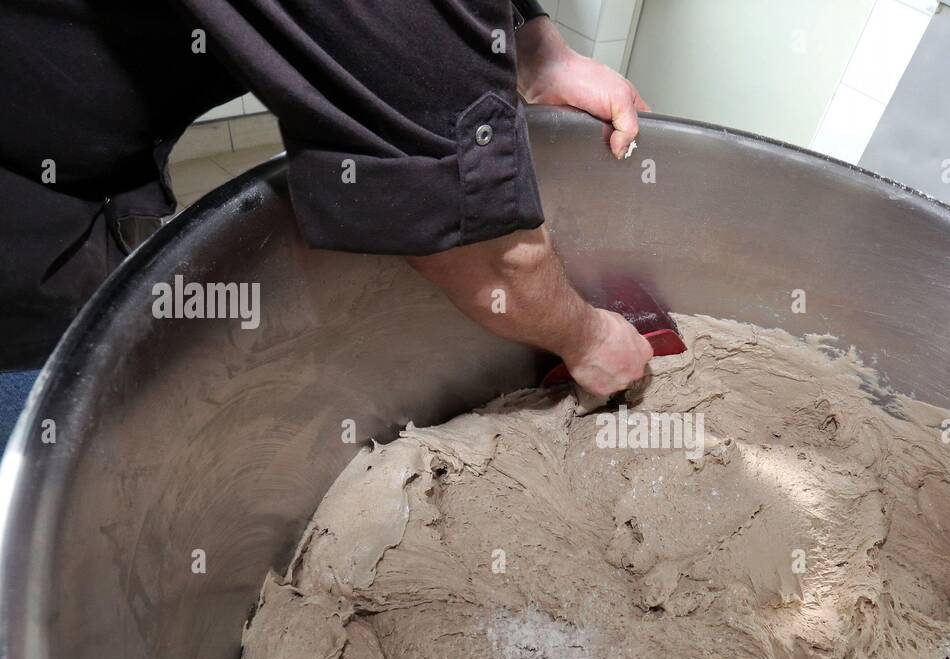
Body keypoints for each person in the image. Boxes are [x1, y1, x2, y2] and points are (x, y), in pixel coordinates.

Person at [0, 0, 654, 402]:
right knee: (40, 415)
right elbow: (478, 244)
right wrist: (588, 337)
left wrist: (537, 48)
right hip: (24, 190)